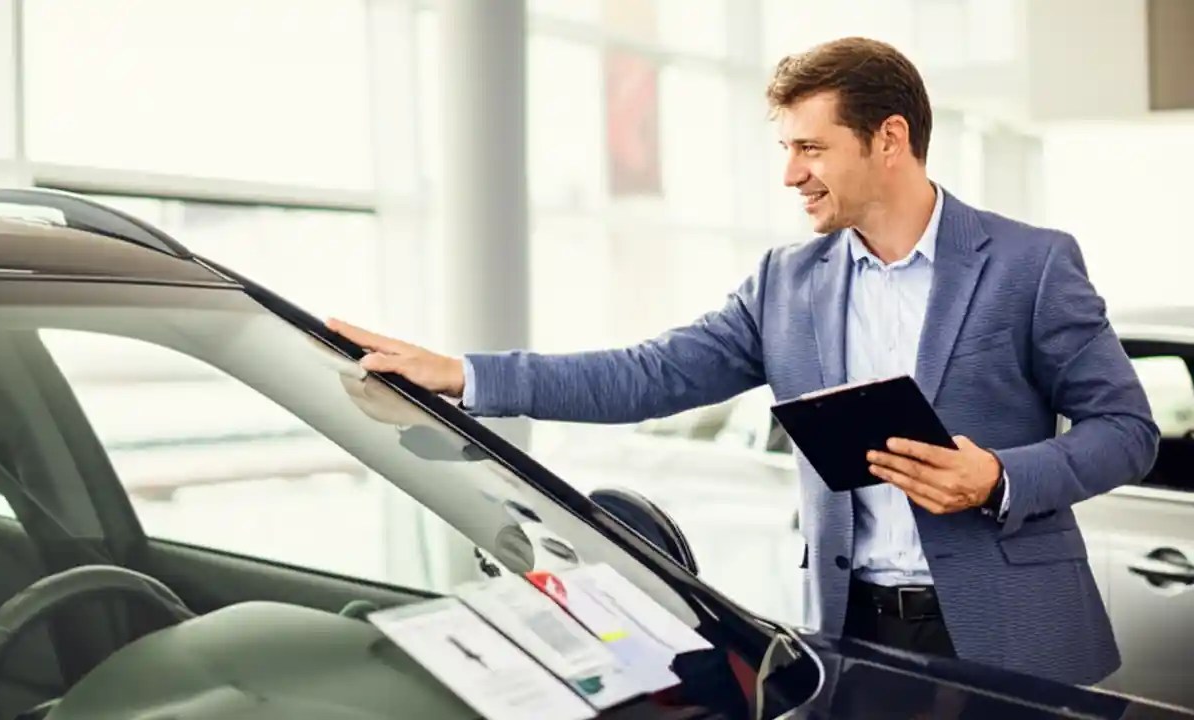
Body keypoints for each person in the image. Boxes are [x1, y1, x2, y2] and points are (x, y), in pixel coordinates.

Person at [328, 36, 1158, 687]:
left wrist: (999, 477)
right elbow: (648, 374)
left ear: (890, 139)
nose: (792, 173)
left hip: (1013, 628)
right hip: (852, 630)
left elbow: (1126, 429)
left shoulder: (1029, 264)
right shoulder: (786, 281)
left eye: (812, 147)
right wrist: (467, 376)